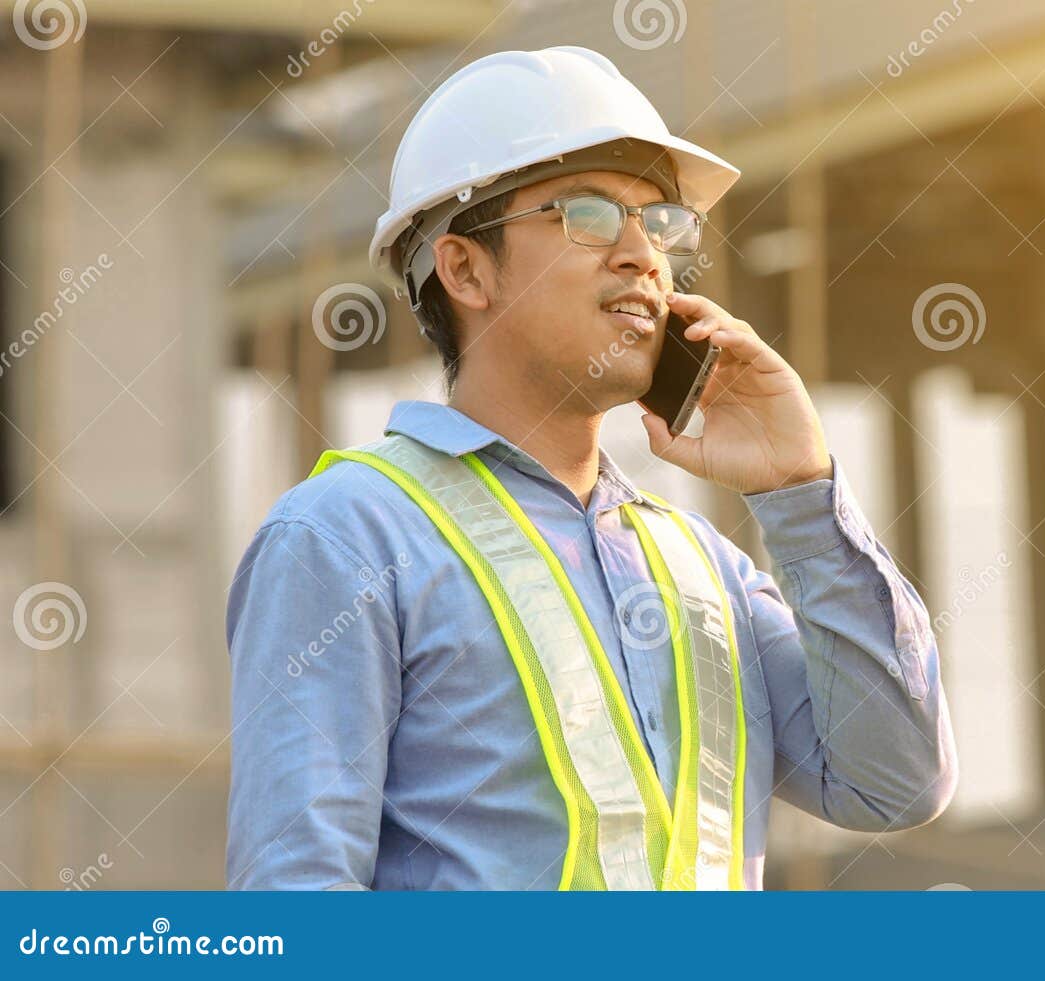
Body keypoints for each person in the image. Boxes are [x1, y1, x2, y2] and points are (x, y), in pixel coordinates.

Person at [225, 46, 956, 890]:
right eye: (590, 215)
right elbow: (297, 895)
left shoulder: (706, 569)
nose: (644, 255)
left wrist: (801, 490)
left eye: (660, 223)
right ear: (464, 267)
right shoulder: (347, 535)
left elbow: (897, 782)